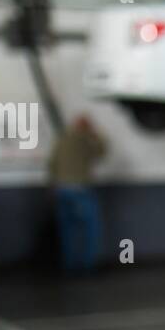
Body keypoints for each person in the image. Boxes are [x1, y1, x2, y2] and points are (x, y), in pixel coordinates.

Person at [48, 113, 107, 274]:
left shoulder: (62, 140)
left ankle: (69, 265)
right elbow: (102, 152)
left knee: (67, 230)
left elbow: (52, 164)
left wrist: (52, 187)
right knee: (91, 228)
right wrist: (97, 135)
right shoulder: (85, 140)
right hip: (81, 189)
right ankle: (88, 265)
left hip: (61, 189)